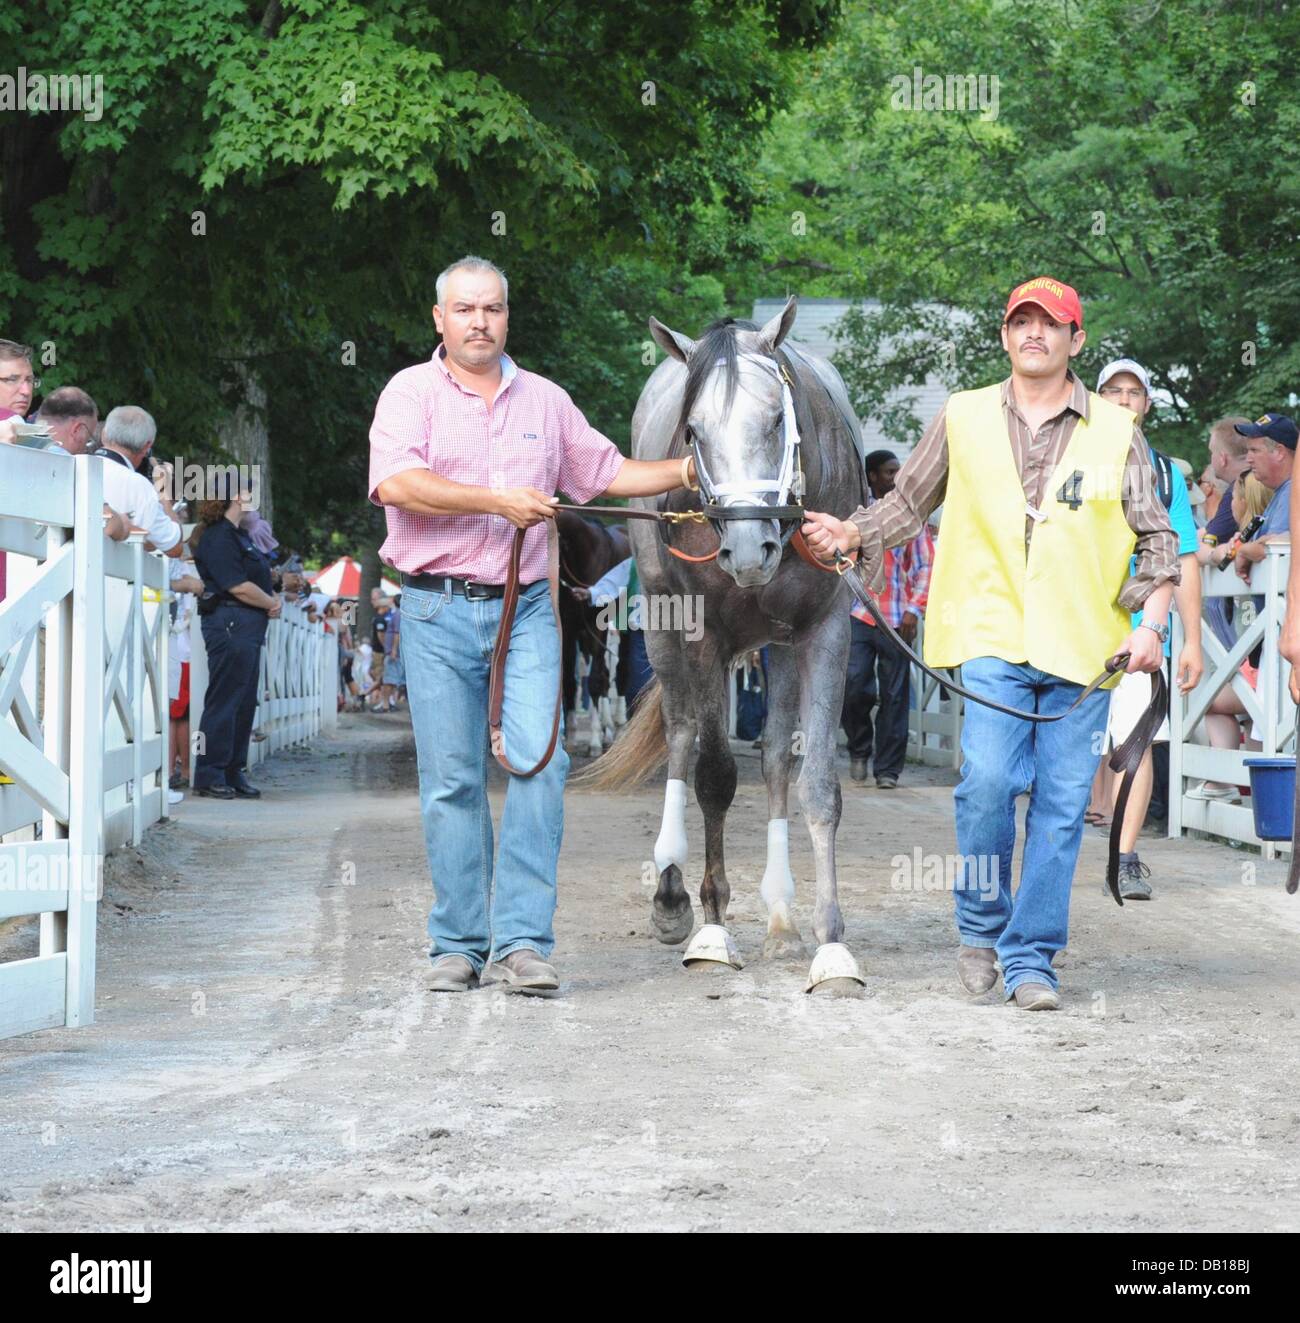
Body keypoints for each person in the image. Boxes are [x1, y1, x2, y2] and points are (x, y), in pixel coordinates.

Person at [800, 276, 1179, 1011]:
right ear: (1006, 336)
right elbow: (909, 500)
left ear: (1076, 339)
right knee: (988, 784)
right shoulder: (963, 414)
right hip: (988, 632)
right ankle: (981, 929)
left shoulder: (1116, 431)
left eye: (1051, 323)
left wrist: (1153, 627)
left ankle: (1032, 955)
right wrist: (852, 532)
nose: (1034, 333)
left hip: (1084, 647)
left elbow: (1158, 540)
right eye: (1021, 321)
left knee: (1064, 804)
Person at [369, 254, 699, 995]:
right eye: (465, 309)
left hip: (525, 611)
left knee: (539, 765)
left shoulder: (546, 402)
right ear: (440, 320)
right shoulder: (409, 393)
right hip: (434, 606)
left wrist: (687, 474)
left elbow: (605, 472)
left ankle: (522, 941)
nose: (479, 321)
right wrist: (498, 500)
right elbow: (396, 483)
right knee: (451, 781)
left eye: (491, 308)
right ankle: (456, 943)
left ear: (507, 317)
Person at [1092, 358, 1203, 899]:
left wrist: (1194, 641)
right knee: (1087, 748)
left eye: (1133, 393)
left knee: (1137, 744)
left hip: (1143, 631)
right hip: (1079, 626)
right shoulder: (1072, 462)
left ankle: (1126, 856)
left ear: (1147, 405)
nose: (1122, 400)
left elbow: (1184, 556)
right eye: (1111, 391)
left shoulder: (1165, 474)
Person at [842, 449, 933, 789]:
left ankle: (888, 770)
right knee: (853, 687)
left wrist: (914, 609)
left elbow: (926, 564)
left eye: (898, 470)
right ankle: (858, 747)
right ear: (871, 476)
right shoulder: (854, 515)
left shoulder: (912, 515)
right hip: (858, 612)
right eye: (889, 471)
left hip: (897, 617)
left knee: (896, 695)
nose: (896, 476)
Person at [189, 492, 281, 799]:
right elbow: (236, 585)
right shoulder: (218, 537)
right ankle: (207, 769)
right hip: (229, 622)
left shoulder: (240, 537)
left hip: (245, 625)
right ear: (234, 498)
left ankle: (232, 769)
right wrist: (271, 602)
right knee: (222, 700)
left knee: (242, 700)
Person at [96, 406, 184, 558]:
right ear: (147, 447)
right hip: (118, 577)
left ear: (104, 435)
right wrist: (163, 493)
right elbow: (174, 547)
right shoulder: (139, 486)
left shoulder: (72, 466)